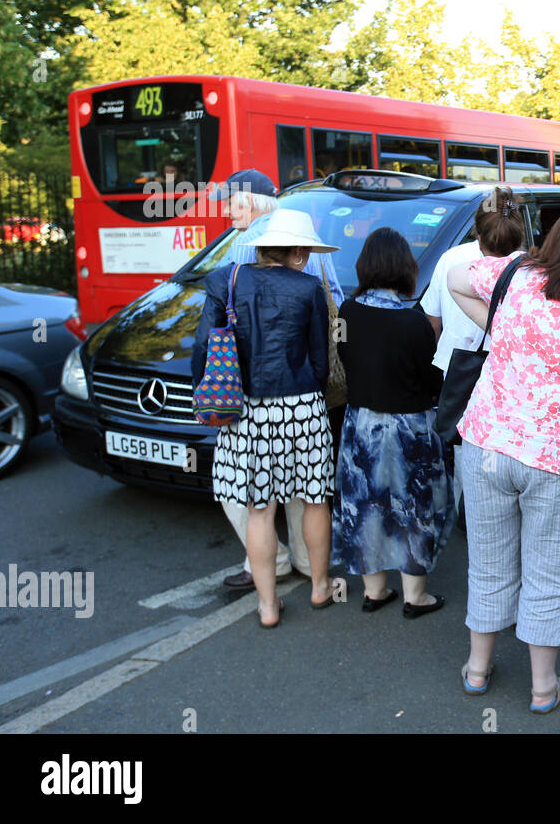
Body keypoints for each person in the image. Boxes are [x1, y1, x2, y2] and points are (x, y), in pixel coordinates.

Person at [448, 206, 560, 712]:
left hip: (487, 443)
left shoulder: (516, 278)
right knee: (549, 572)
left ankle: (478, 669)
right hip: (559, 458)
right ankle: (543, 686)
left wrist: (502, 326)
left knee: (488, 562)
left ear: (550, 242)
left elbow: (452, 275)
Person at [191, 210, 338, 627]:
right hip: (304, 404)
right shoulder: (311, 289)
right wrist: (313, 395)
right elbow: (320, 358)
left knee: (260, 508)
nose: (308, 257)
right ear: (294, 250)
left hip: (245, 409)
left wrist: (207, 390)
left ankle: (268, 605)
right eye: (306, 250)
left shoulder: (226, 281)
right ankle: (320, 586)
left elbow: (203, 345)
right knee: (315, 497)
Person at [333, 228, 452, 616]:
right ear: (405, 267)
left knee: (366, 504)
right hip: (410, 429)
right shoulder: (414, 322)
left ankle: (374, 592)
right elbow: (431, 378)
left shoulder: (347, 313)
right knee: (415, 507)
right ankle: (415, 598)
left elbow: (345, 358)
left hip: (361, 425)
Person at [422, 187, 525, 508]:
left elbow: (432, 321)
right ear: (520, 235)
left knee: (464, 449)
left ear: (477, 234)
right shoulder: (532, 270)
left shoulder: (452, 260)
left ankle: (466, 514)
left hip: (456, 369)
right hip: (512, 375)